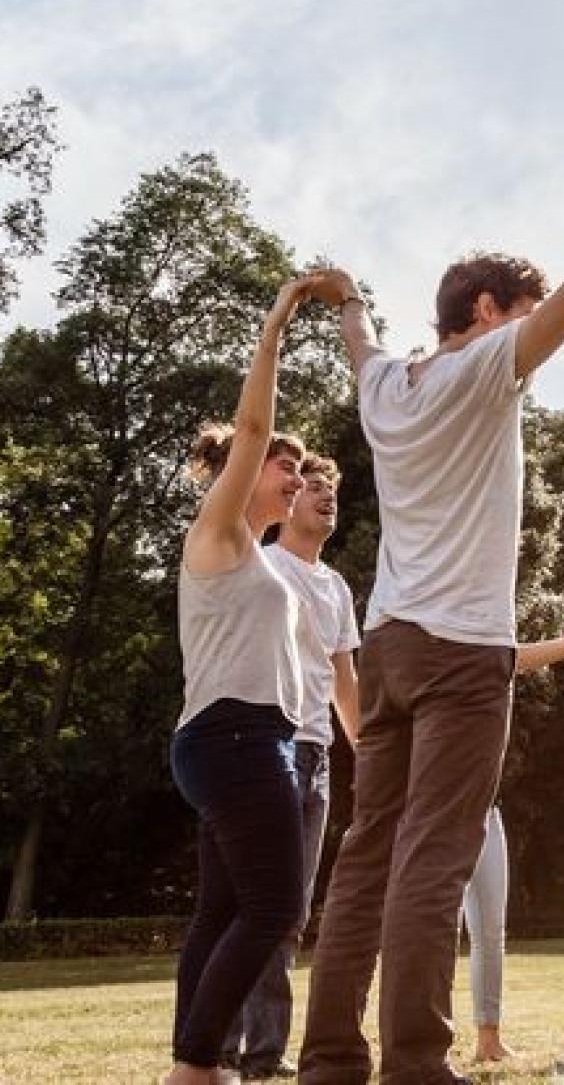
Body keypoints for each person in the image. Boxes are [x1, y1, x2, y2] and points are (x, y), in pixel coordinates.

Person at [298, 122, 564, 1085]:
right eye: (522, 313)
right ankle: (417, 1062)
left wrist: (345, 297)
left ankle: (332, 1056)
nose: (534, 333)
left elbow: (359, 340)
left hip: (388, 648)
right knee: (434, 855)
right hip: (463, 653)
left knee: (367, 851)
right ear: (488, 307)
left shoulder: (386, 385)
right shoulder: (483, 371)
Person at [167, 274, 322, 1085]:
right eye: (280, 467)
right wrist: (276, 325)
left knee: (224, 911)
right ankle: (197, 1067)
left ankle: (199, 1065)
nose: (292, 477)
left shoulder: (258, 563)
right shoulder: (219, 530)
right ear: (243, 470)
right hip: (235, 737)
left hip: (236, 738)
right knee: (276, 909)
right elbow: (254, 424)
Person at [225, 455, 367, 1080]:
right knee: (247, 903)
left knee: (292, 910)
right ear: (289, 498)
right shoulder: (263, 564)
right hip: (266, 746)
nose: (326, 497)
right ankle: (217, 1045)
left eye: (332, 490)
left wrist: (368, 753)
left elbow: (345, 682)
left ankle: (265, 1052)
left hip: (316, 757)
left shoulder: (336, 587)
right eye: (314, 487)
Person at [458, 601, 564, 1064]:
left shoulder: (497, 657)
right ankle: (424, 1041)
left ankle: (488, 1039)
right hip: (437, 818)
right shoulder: (431, 660)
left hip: (486, 814)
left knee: (491, 931)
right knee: (436, 931)